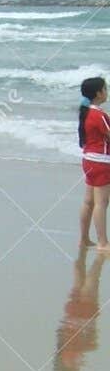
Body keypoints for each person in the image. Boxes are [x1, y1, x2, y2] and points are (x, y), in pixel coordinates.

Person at [78, 75, 110, 254]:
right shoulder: (100, 114)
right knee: (102, 203)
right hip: (102, 161)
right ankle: (103, 243)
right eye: (105, 89)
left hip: (89, 159)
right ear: (99, 93)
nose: (107, 92)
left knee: (89, 201)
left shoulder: (86, 112)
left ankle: (83, 238)